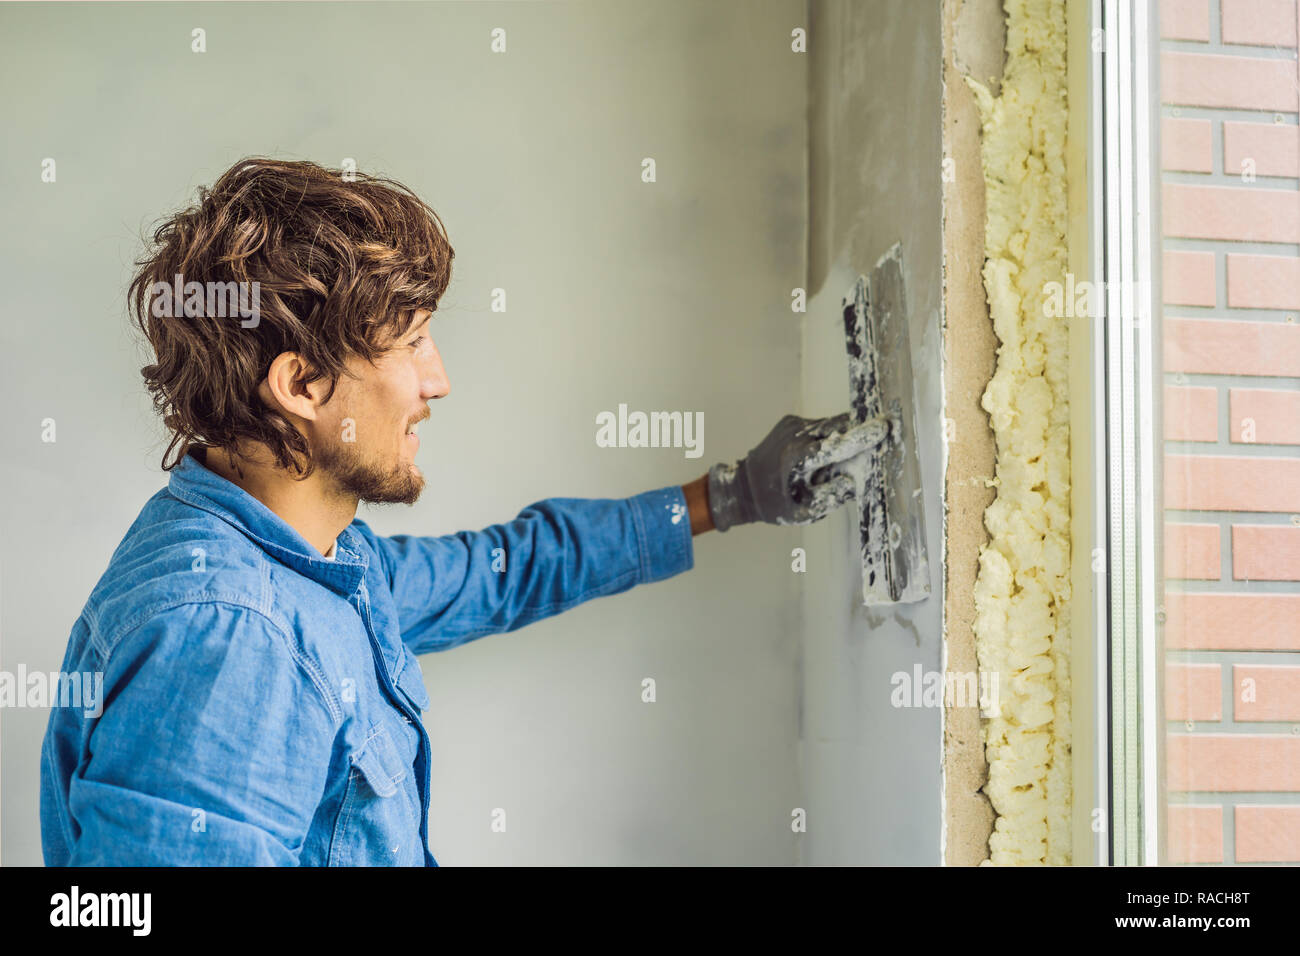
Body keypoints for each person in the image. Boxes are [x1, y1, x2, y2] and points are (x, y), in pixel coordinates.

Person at [39, 158, 882, 866]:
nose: (437, 380)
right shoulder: (231, 638)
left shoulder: (303, 553)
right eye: (409, 344)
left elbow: (499, 573)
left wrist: (730, 496)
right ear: (301, 386)